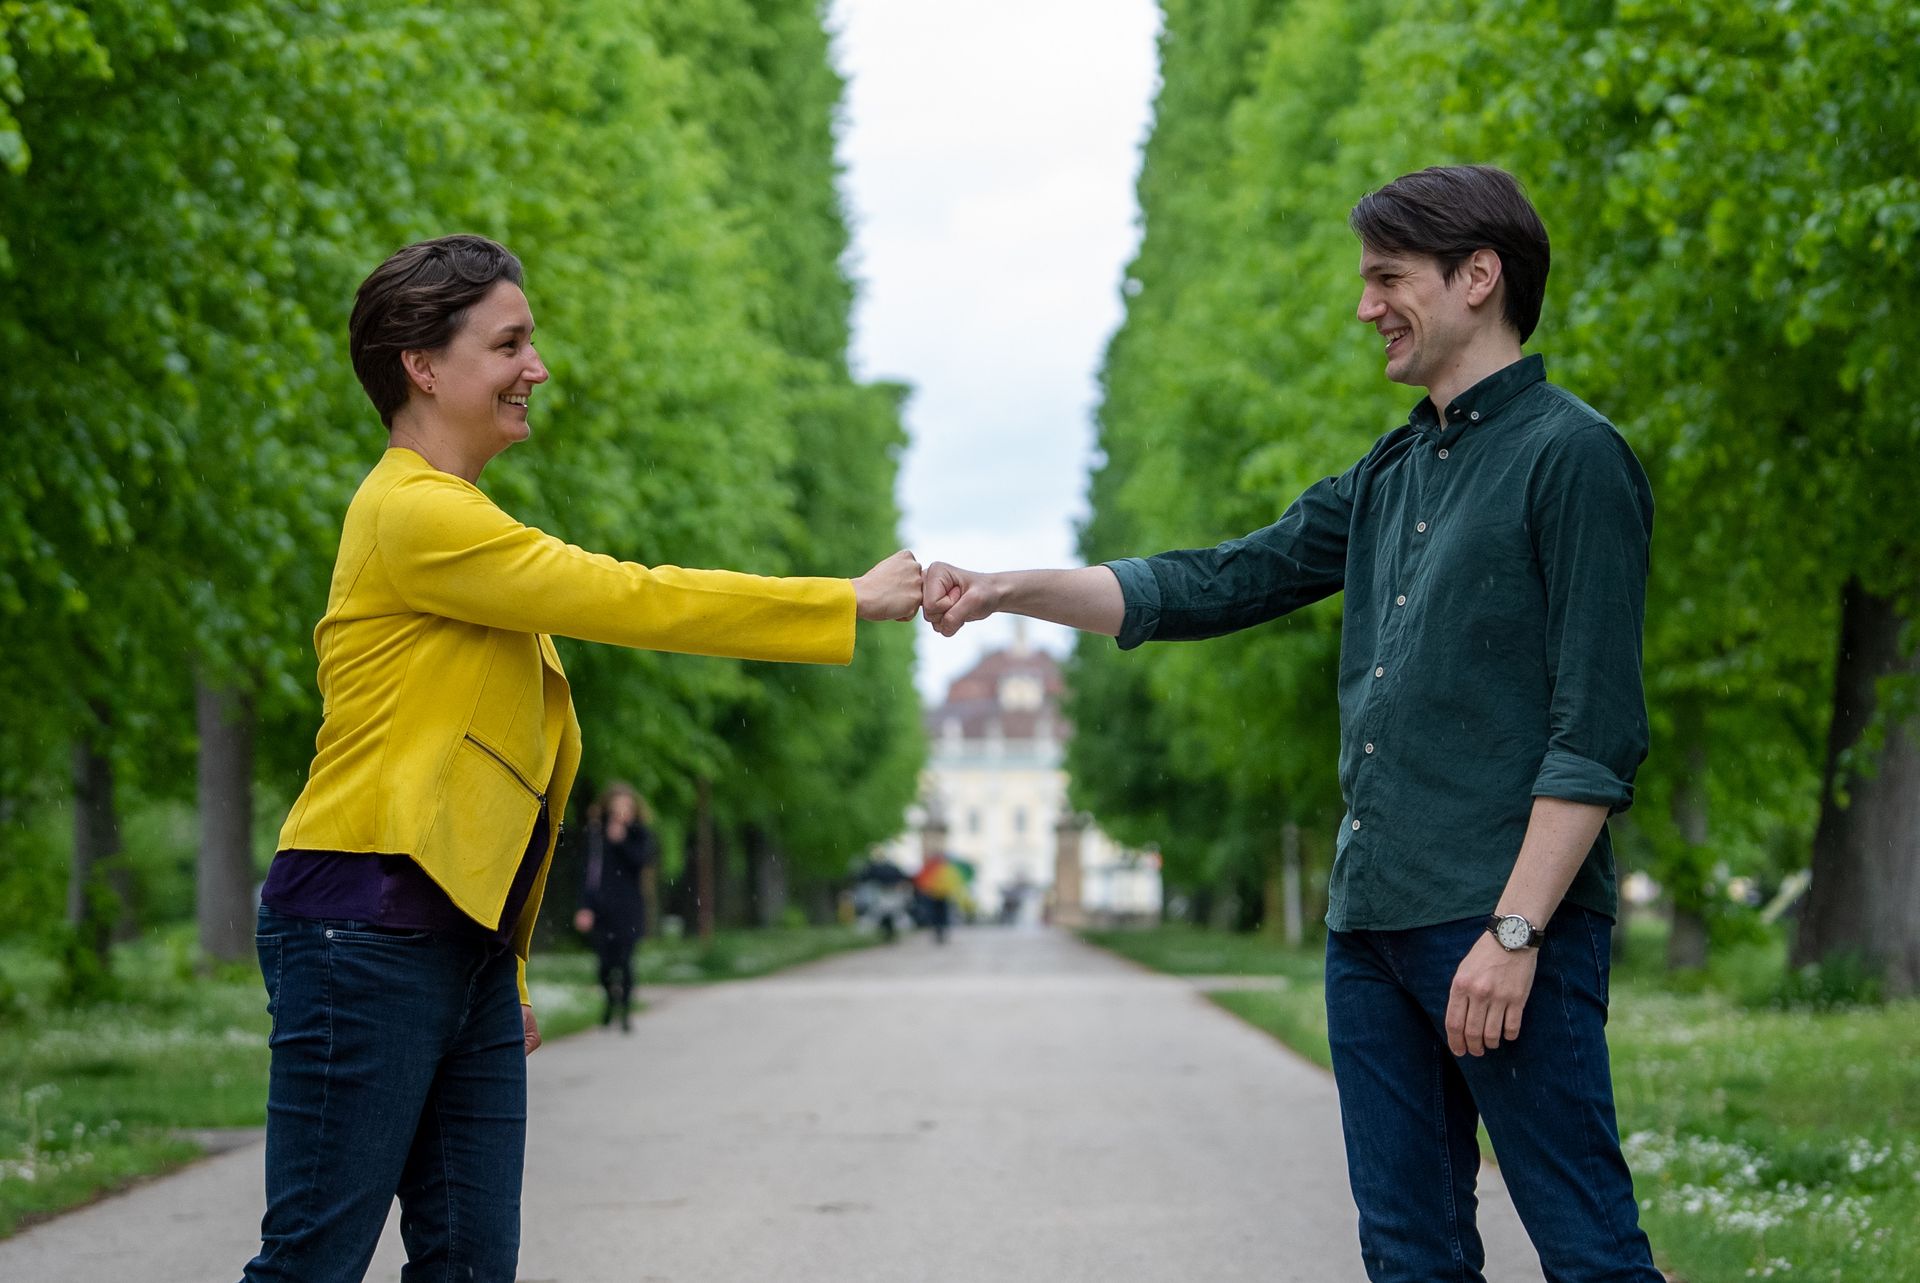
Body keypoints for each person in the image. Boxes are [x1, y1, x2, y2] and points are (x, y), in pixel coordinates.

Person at [923, 166, 1662, 1281]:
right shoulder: (1392, 469)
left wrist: (1515, 935)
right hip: (1369, 926)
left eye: (1387, 279)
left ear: (1478, 277)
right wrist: (1002, 587)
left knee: (1589, 1246)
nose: (1367, 306)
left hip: (1503, 925)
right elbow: (1217, 580)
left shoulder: (1573, 456)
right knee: (1410, 1252)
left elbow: (1595, 732)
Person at [242, 233, 922, 1283]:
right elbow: (631, 594)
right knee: (310, 1265)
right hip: (359, 926)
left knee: (470, 1265)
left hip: (454, 944)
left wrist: (504, 968)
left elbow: (489, 783)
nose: (537, 367)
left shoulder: (461, 524)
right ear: (423, 365)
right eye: (510, 342)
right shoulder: (416, 516)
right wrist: (843, 599)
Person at [573, 781, 657, 1032]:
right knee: (604, 964)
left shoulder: (639, 834)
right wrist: (584, 906)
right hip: (602, 907)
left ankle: (626, 1013)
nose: (622, 811)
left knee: (626, 960)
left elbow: (641, 862)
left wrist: (622, 840)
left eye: (627, 806)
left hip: (629, 907)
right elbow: (589, 873)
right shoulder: (596, 836)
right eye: (617, 806)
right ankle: (610, 1001)